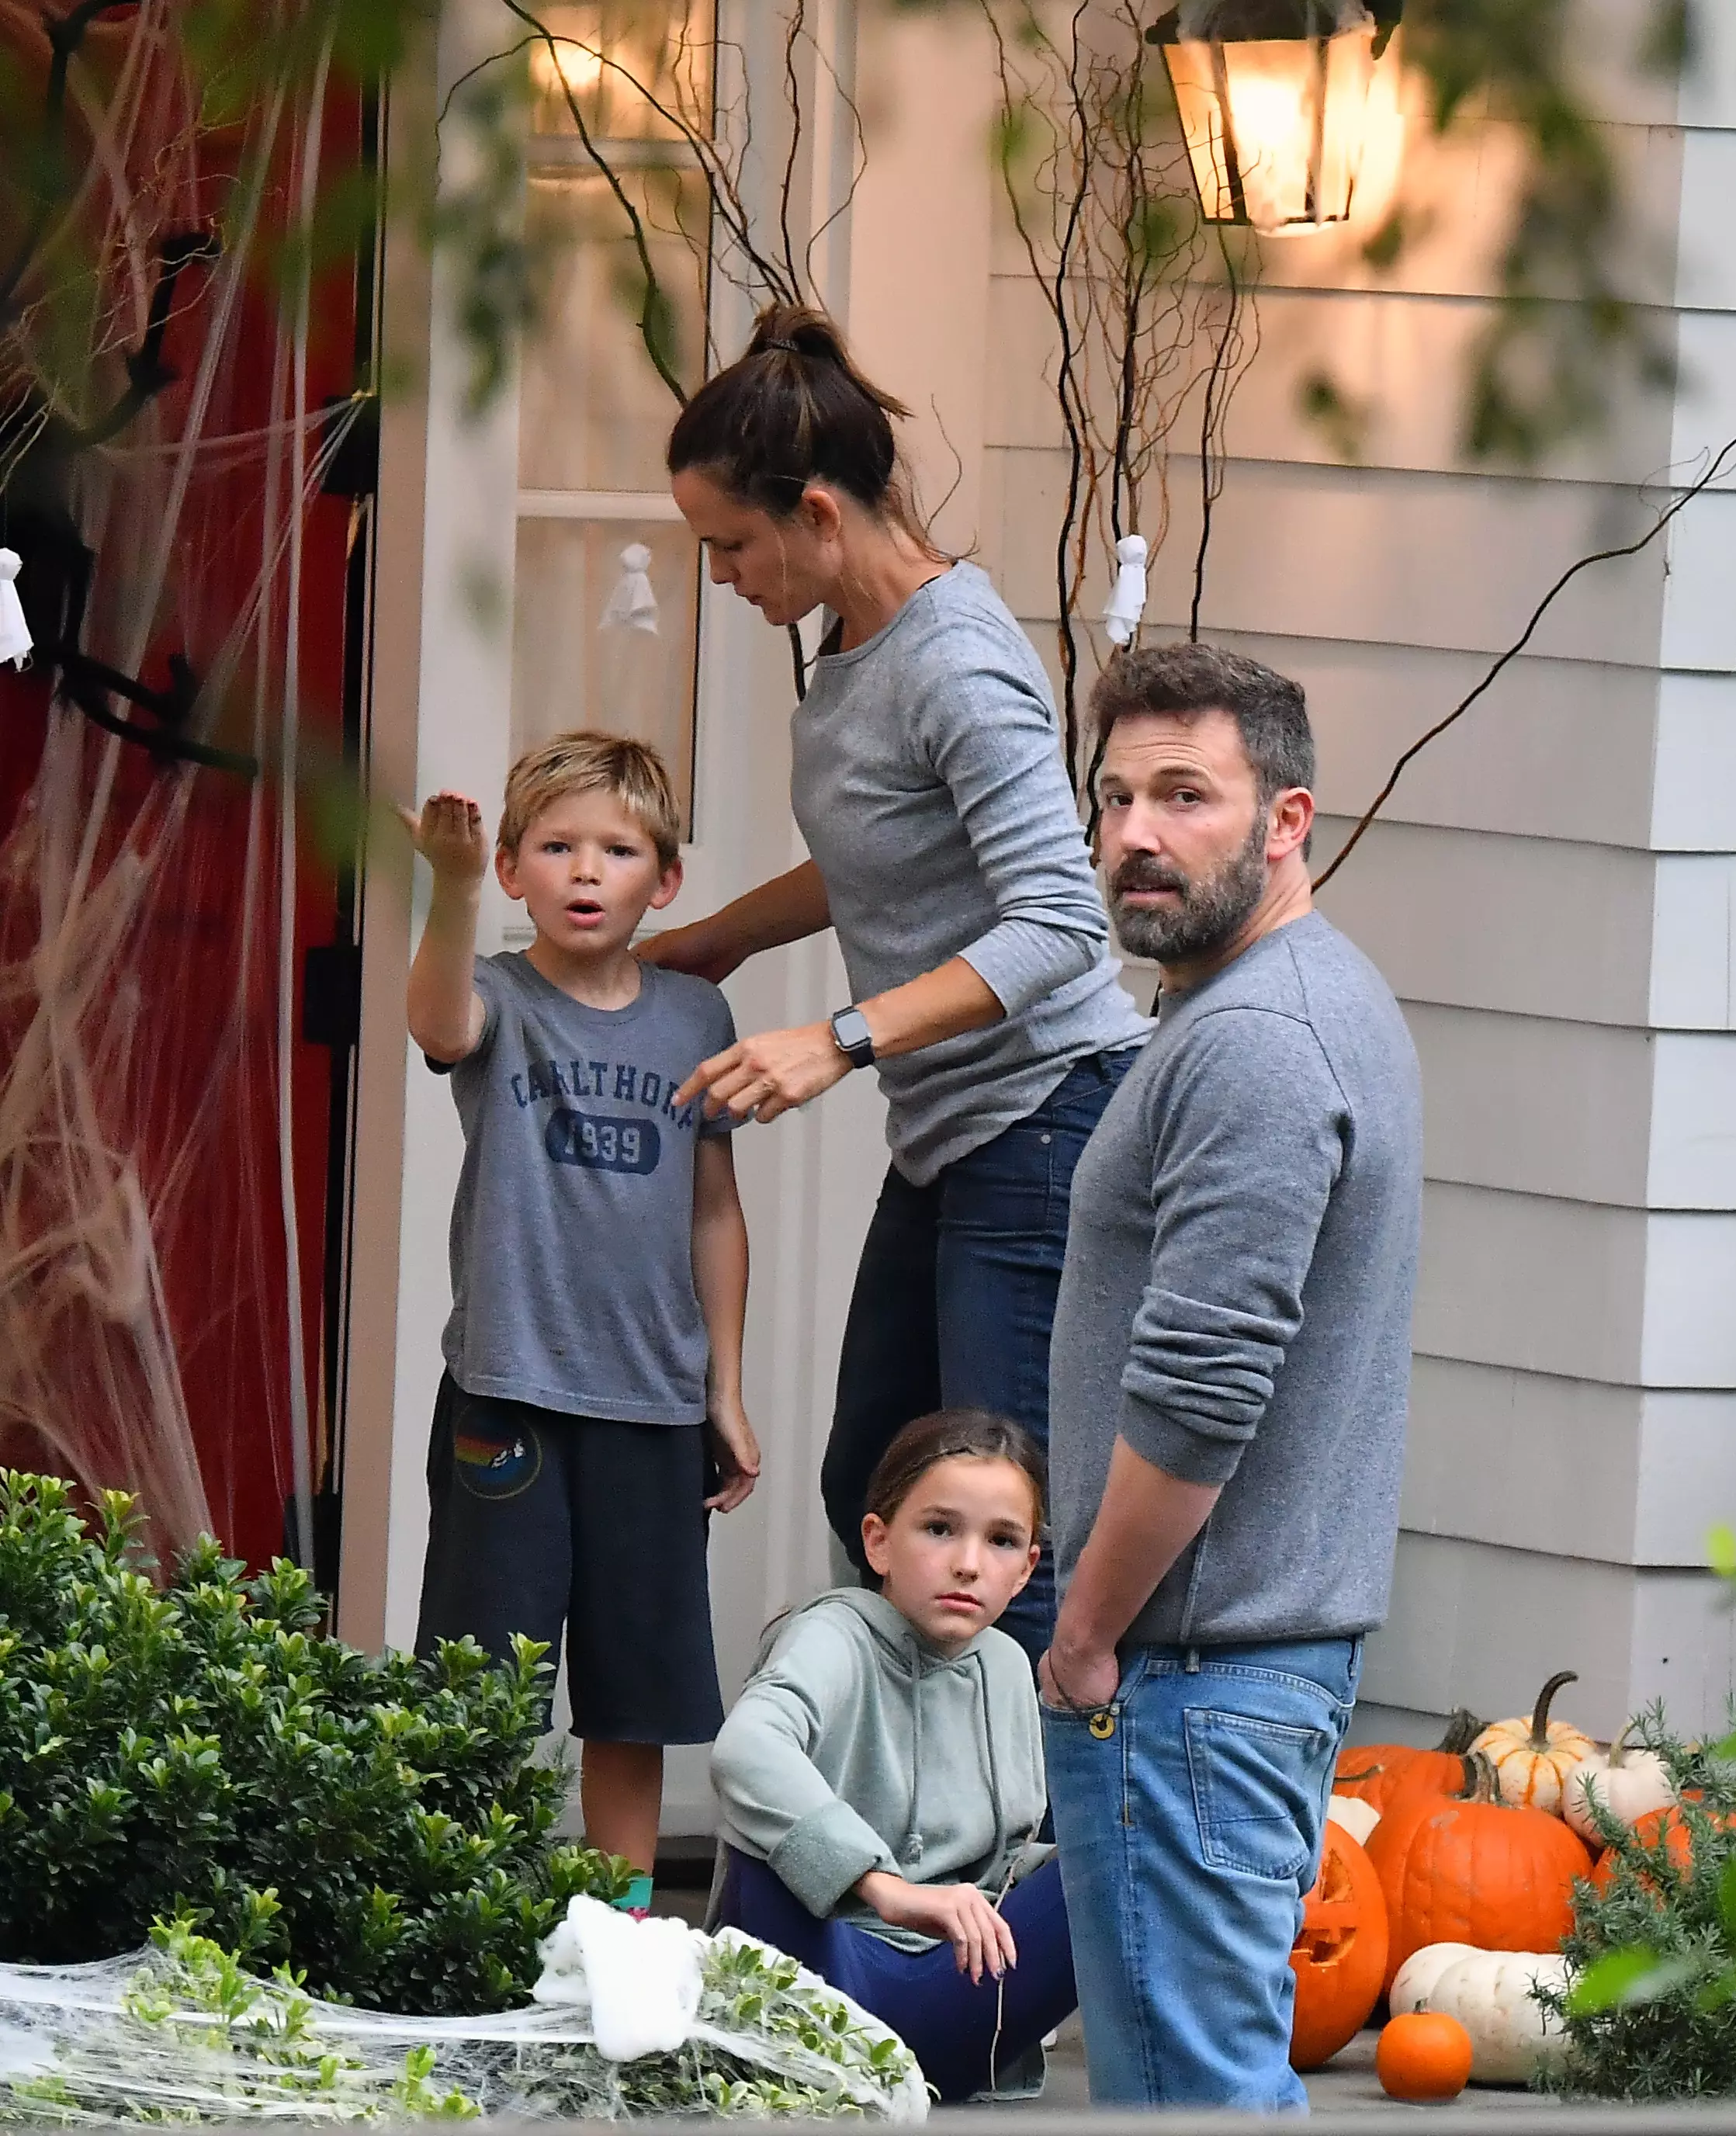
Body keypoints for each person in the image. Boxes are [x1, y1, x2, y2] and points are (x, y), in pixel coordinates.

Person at [642, 303, 1149, 1667]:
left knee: (992, 1528)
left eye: (733, 546)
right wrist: (722, 938)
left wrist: (842, 1038)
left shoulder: (959, 661)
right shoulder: (855, 644)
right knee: (873, 1487)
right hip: (955, 1142)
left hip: (1047, 1124)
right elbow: (883, 850)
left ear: (814, 512)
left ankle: (1030, 1864)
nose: (727, 577)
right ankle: (907, 1818)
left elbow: (1061, 923)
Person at [1037, 645, 1423, 2110]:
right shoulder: (1297, 996)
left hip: (1189, 1672)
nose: (1135, 831)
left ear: (1285, 819)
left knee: (1185, 2097)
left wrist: (1083, 1635)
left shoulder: (1257, 1042)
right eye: (1117, 794)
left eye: (1186, 794)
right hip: (1236, 1662)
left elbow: (1204, 1391)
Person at [402, 731, 757, 1910]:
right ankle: (464, 1911)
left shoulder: (696, 1020)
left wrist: (727, 1386)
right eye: (555, 848)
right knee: (482, 1683)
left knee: (633, 1690)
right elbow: (439, 1027)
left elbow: (714, 1208)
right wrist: (447, 897)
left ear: (665, 879)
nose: (586, 871)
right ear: (512, 871)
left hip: (654, 1403)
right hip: (509, 1391)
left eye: (617, 849)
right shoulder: (496, 996)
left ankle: (621, 1929)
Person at [708, 1409, 1079, 2103]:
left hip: (958, 1996)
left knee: (1117, 1860)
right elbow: (746, 1748)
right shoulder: (834, 1635)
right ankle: (791, 2066)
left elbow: (1000, 1867)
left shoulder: (1005, 1666)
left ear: (1028, 1568)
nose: (968, 1563)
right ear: (878, 1541)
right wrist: (885, 1887)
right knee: (765, 1844)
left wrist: (1067, 1875)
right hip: (823, 1988)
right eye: (939, 1529)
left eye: (1001, 1541)